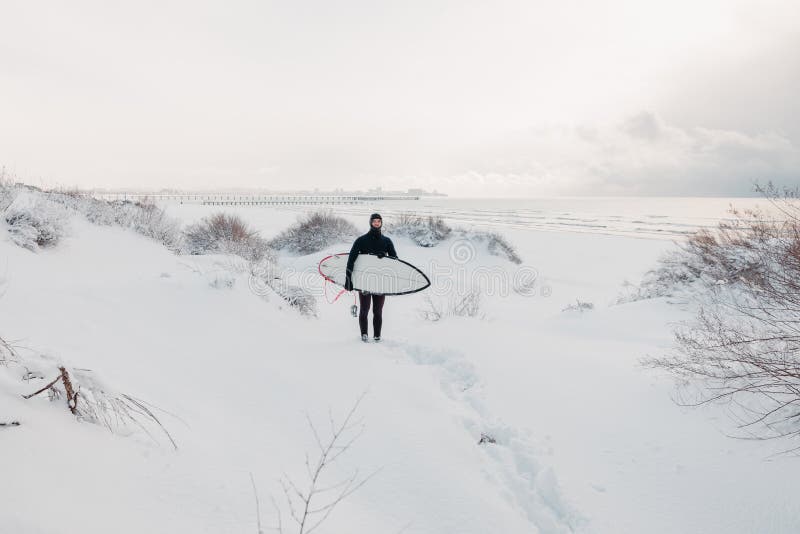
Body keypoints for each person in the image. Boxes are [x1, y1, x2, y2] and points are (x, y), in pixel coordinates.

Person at [345, 213, 397, 342]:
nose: (376, 223)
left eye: (379, 221)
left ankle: (377, 336)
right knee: (364, 310)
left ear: (381, 223)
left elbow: (395, 260)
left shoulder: (386, 241)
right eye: (374, 221)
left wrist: (384, 257)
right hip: (364, 281)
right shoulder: (361, 240)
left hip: (380, 282)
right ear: (370, 222)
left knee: (378, 311)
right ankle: (364, 335)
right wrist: (348, 279)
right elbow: (351, 260)